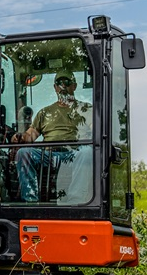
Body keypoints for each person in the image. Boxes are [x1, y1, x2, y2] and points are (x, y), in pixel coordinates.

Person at [10, 72, 91, 201]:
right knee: (23, 152)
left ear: (74, 86)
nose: (63, 86)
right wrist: (20, 137)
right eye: (59, 83)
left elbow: (95, 129)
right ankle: (31, 200)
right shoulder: (44, 112)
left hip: (74, 153)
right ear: (55, 87)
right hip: (49, 155)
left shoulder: (86, 109)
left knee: (88, 152)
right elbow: (31, 135)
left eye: (67, 82)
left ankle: (76, 199)